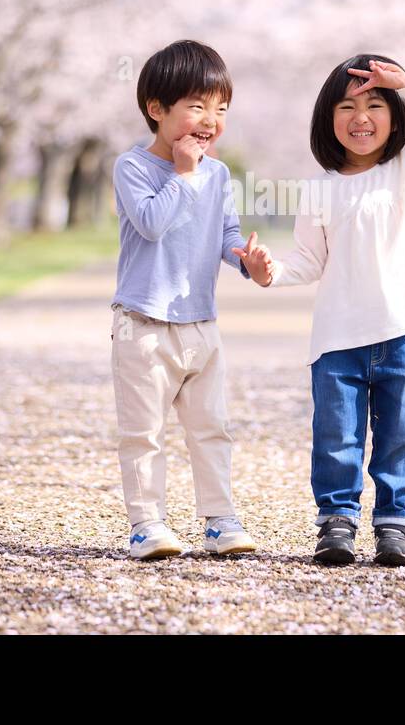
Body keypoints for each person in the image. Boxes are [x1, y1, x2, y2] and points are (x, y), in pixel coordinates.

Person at [259, 56, 405, 566]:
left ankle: (394, 524)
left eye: (374, 104)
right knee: (336, 437)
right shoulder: (320, 188)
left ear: (395, 114)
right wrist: (271, 272)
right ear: (328, 118)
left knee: (404, 433)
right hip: (337, 339)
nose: (360, 116)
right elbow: (308, 260)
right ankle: (337, 521)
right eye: (346, 106)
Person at [109, 39, 274, 560]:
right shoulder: (132, 168)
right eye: (197, 106)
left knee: (211, 428)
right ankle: (146, 524)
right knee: (144, 431)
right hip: (143, 322)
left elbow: (225, 232)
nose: (211, 120)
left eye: (220, 109)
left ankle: (220, 520)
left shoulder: (219, 174)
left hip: (201, 323)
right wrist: (183, 175)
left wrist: (245, 261)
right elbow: (153, 224)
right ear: (158, 111)